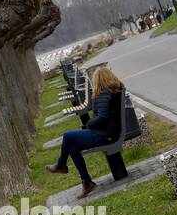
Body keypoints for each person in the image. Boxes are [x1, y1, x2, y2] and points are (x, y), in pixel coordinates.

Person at [47, 65, 126, 197]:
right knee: (72, 148)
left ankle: (61, 165)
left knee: (67, 135)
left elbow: (102, 117)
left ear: (98, 80)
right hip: (107, 133)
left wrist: (89, 124)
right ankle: (87, 182)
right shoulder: (112, 91)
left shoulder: (105, 93)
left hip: (105, 135)